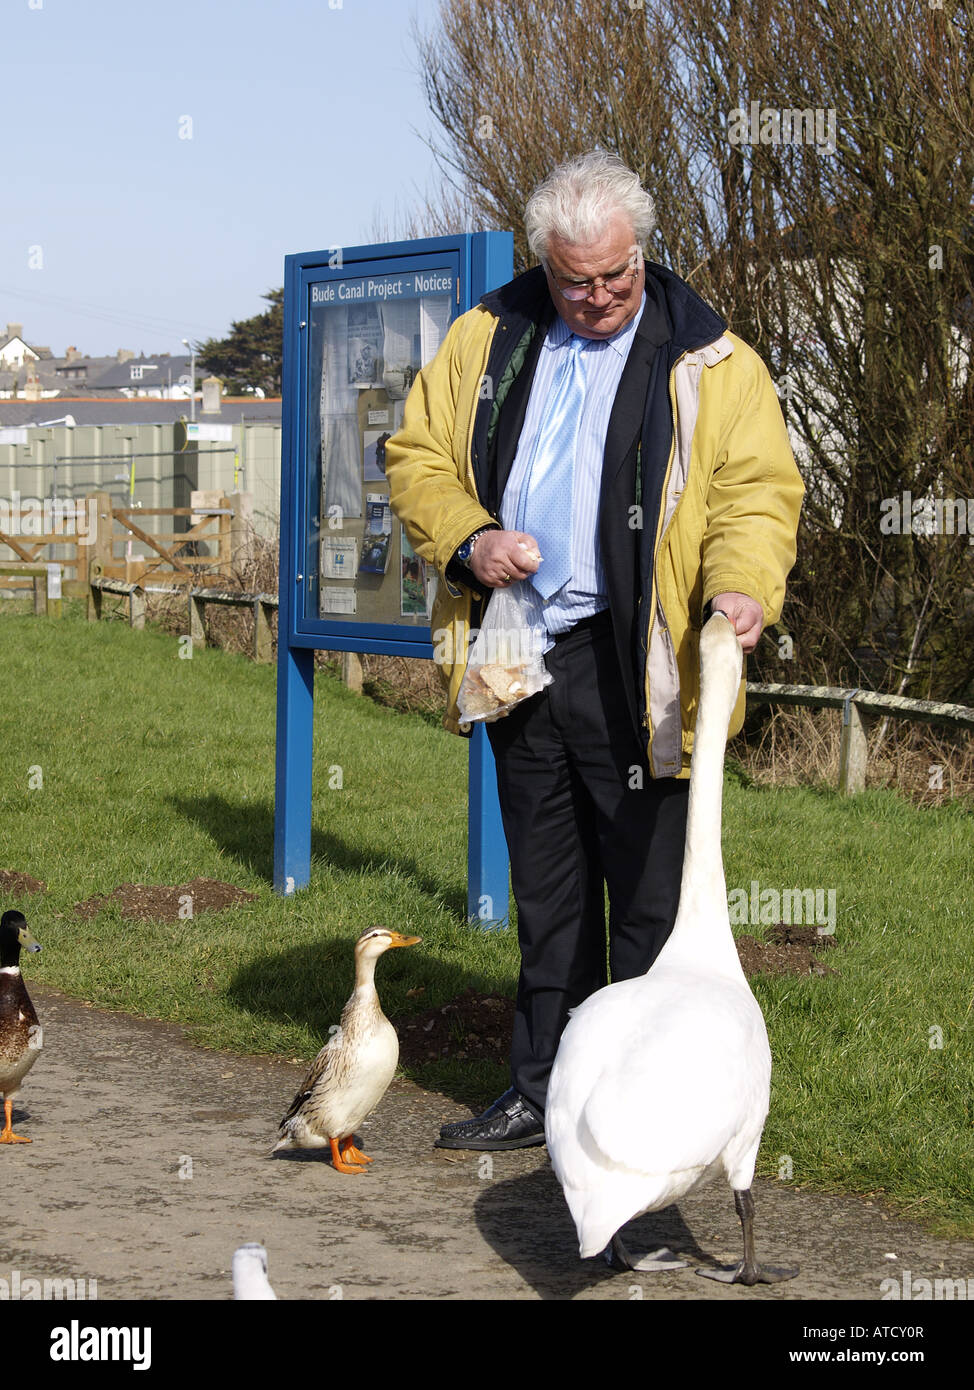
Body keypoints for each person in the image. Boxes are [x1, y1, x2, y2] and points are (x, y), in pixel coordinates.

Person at [384, 151, 804, 1150]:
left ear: (641, 255)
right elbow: (415, 455)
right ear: (545, 263)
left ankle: (652, 1111)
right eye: (574, 280)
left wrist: (742, 586)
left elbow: (754, 489)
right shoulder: (486, 337)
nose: (596, 296)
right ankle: (542, 1090)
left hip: (644, 661)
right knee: (547, 885)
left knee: (653, 905)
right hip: (518, 647)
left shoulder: (711, 359)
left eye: (614, 275)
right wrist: (470, 539)